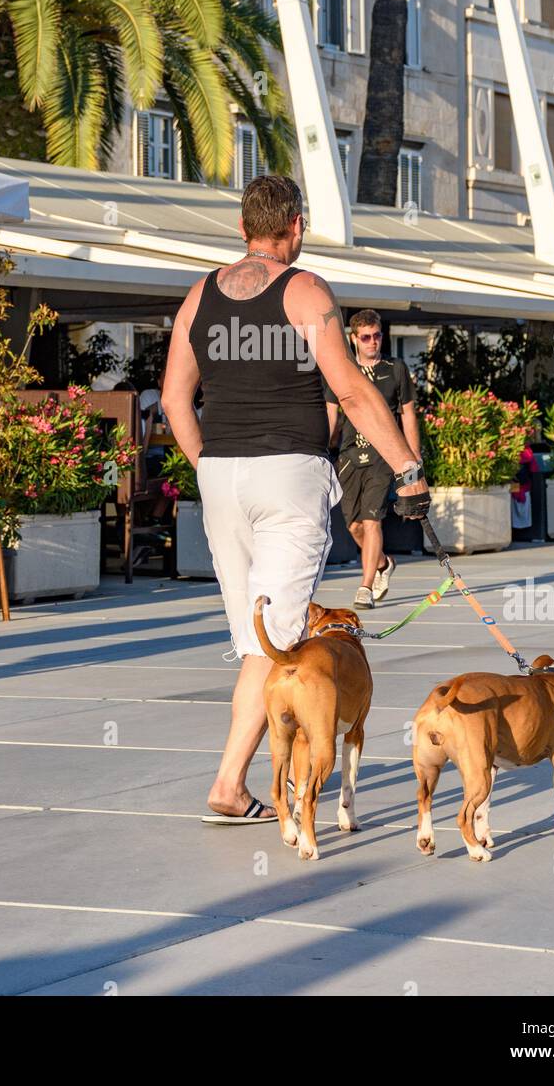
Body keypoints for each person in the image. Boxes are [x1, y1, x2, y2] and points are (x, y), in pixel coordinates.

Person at [162, 174, 429, 824]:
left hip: (220, 475)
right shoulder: (305, 290)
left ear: (242, 228)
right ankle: (227, 785)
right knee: (273, 638)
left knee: (258, 638)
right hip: (289, 474)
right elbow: (353, 391)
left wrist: (210, 466)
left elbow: (173, 398)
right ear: (297, 228)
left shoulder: (200, 295)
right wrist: (407, 469)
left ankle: (239, 780)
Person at [325, 310, 421, 609]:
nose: (372, 342)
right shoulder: (341, 370)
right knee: (354, 526)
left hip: (384, 454)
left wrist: (413, 462)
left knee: (372, 520)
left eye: (377, 335)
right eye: (365, 337)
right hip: (349, 455)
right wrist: (317, 452)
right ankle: (382, 563)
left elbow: (408, 415)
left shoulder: (395, 369)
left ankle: (365, 586)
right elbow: (331, 419)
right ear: (354, 339)